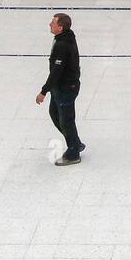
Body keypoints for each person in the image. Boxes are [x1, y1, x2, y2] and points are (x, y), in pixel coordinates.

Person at [36, 13, 84, 166]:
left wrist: (44, 91)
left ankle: (73, 152)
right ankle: (75, 142)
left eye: (53, 22)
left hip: (66, 87)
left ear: (60, 27)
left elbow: (56, 71)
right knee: (55, 113)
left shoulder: (63, 45)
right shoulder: (64, 38)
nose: (50, 24)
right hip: (60, 87)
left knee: (66, 120)